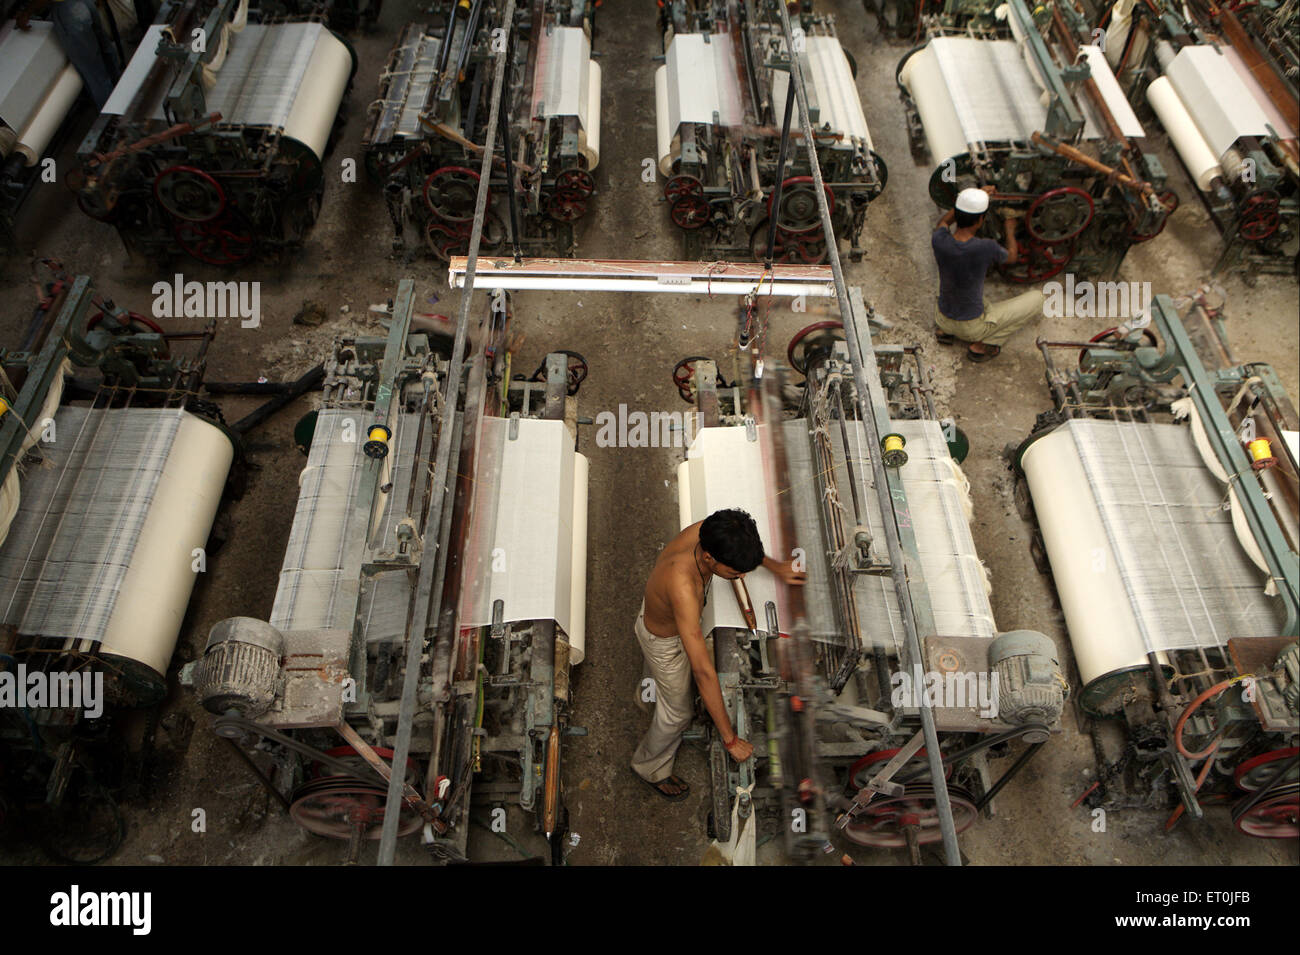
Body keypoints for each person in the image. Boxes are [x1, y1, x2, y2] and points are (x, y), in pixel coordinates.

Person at [631, 508, 806, 799]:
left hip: (663, 618)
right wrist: (730, 739)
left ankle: (649, 689)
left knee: (675, 678)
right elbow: (703, 671)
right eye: (735, 573)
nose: (739, 577)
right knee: (678, 713)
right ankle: (649, 767)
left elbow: (743, 546)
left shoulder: (710, 531)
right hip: (664, 643)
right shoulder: (683, 585)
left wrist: (777, 568)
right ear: (710, 558)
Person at [932, 185, 1045, 363]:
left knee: (955, 279)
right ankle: (982, 345)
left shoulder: (939, 240)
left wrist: (971, 200)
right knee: (1039, 298)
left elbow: (943, 223)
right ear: (980, 220)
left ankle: (944, 332)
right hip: (970, 328)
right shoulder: (986, 247)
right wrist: (1010, 229)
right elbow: (1012, 257)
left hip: (942, 316)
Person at [17, 0, 123, 109]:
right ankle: (122, 94)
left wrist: (26, 13)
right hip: (85, 4)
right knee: (105, 52)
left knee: (93, 71)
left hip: (70, 11)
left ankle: (113, 112)